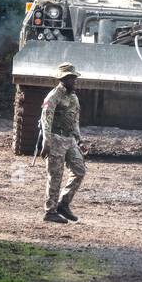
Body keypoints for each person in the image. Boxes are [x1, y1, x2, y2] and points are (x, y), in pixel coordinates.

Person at [38, 62, 87, 223]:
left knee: (79, 170)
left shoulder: (73, 97)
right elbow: (46, 119)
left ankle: (63, 204)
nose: (75, 81)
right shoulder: (53, 97)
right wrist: (46, 141)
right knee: (56, 176)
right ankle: (50, 211)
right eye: (72, 78)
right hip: (55, 139)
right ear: (63, 79)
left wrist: (79, 140)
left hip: (69, 139)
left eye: (75, 78)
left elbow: (75, 120)